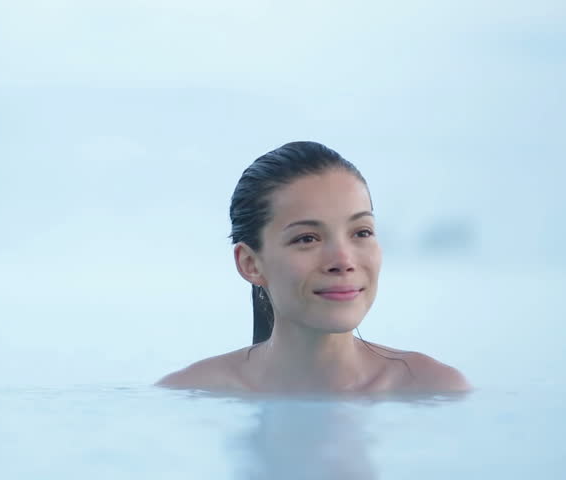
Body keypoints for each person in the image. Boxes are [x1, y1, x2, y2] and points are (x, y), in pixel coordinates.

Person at [157, 141, 470, 395]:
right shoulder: (193, 394)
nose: (343, 261)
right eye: (307, 238)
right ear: (251, 263)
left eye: (361, 232)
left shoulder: (433, 392)